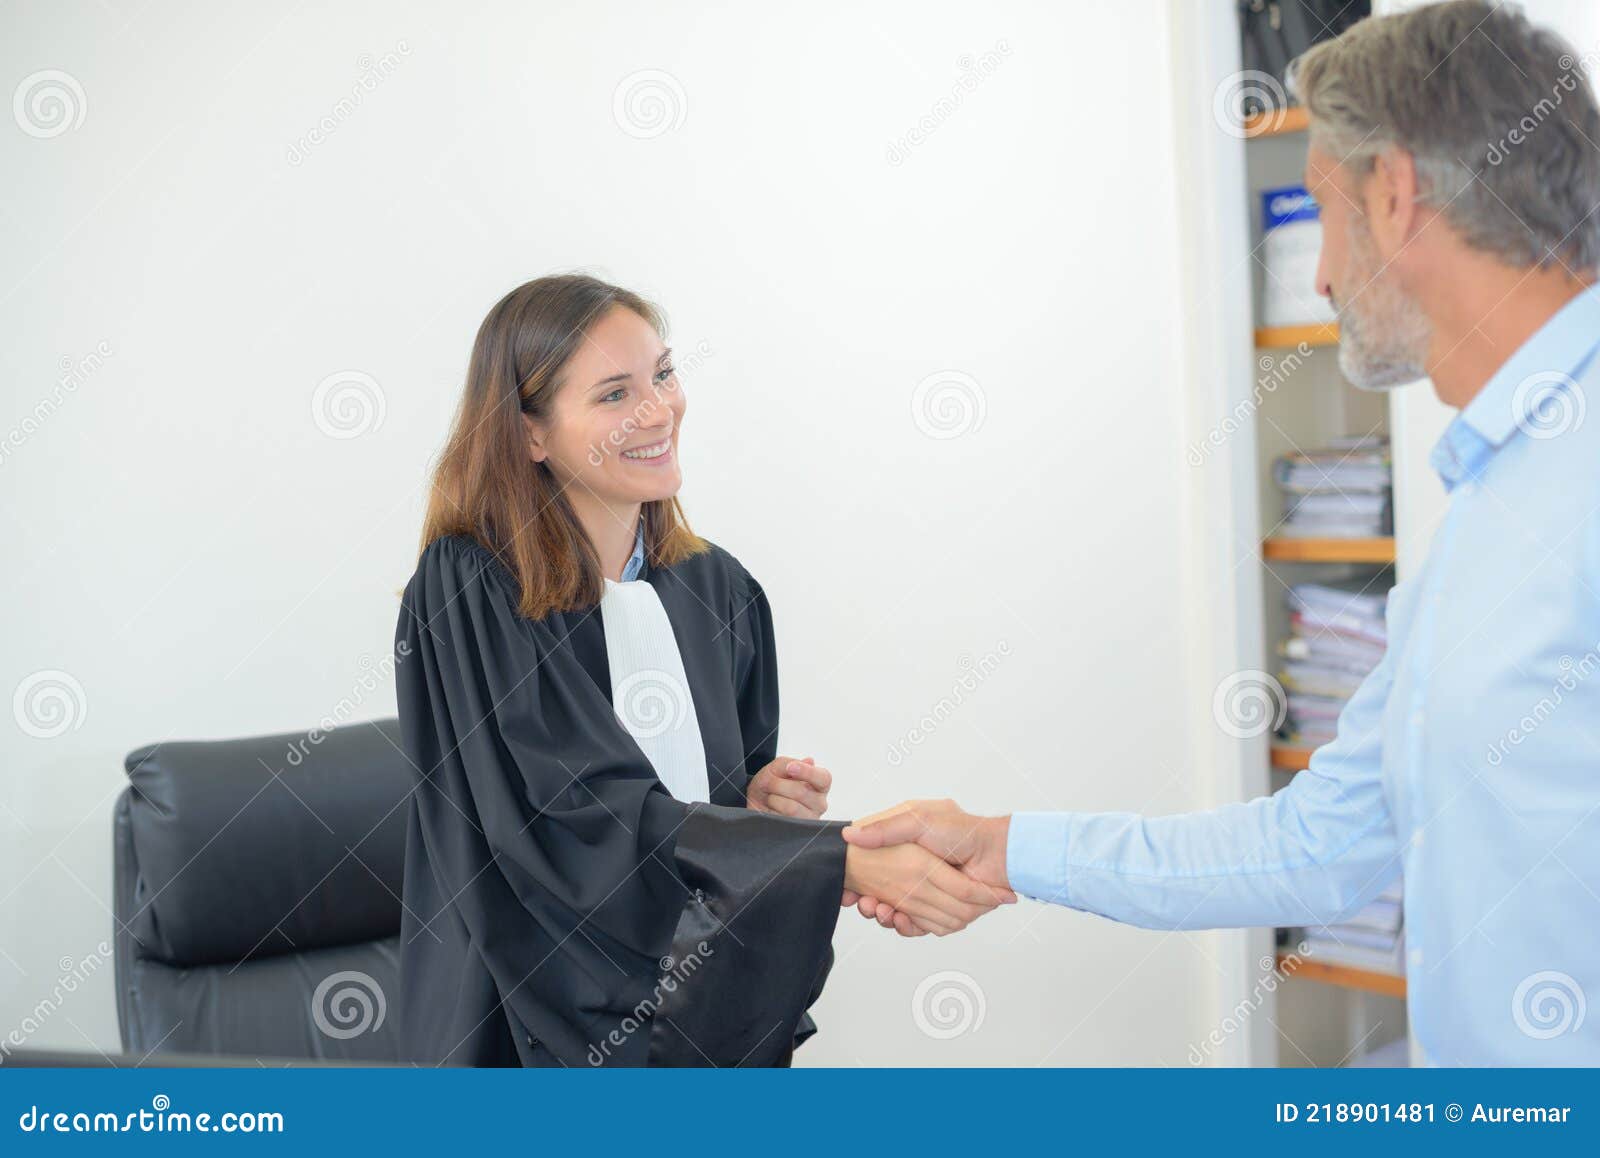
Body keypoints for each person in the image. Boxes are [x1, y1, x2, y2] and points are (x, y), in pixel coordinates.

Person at [845, 0, 1600, 1066]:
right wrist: (1006, 849)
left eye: (1328, 213)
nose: (1325, 275)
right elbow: (1318, 844)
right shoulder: (1485, 499)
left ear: (1395, 196)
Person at [394, 274, 1012, 1068]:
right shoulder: (473, 587)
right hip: (520, 1024)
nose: (657, 411)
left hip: (691, 1012)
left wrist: (756, 805)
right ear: (529, 435)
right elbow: (575, 818)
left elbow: (696, 825)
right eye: (614, 395)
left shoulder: (720, 589)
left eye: (663, 374)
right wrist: (835, 859)